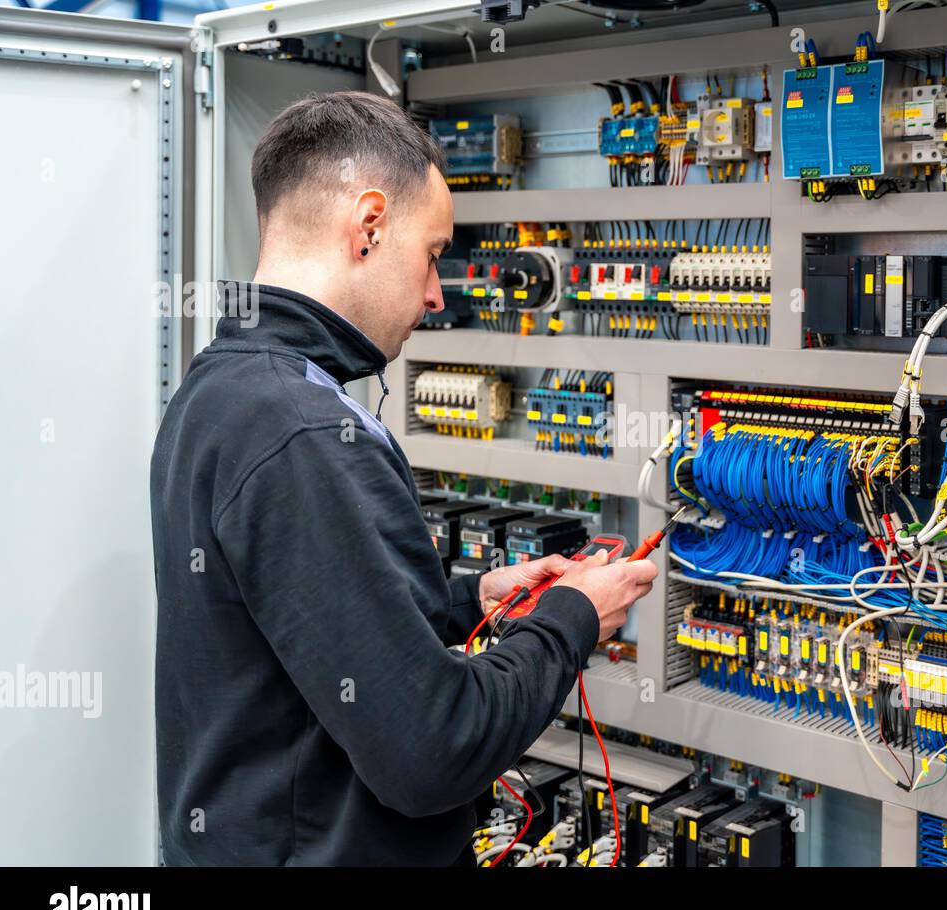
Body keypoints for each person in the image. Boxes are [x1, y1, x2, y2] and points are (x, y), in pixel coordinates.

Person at [149, 91, 657, 866]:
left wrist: (466, 602)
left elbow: (294, 624)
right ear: (369, 226)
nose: (435, 295)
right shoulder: (306, 431)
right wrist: (570, 618)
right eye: (433, 254)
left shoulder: (220, 390)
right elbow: (432, 754)